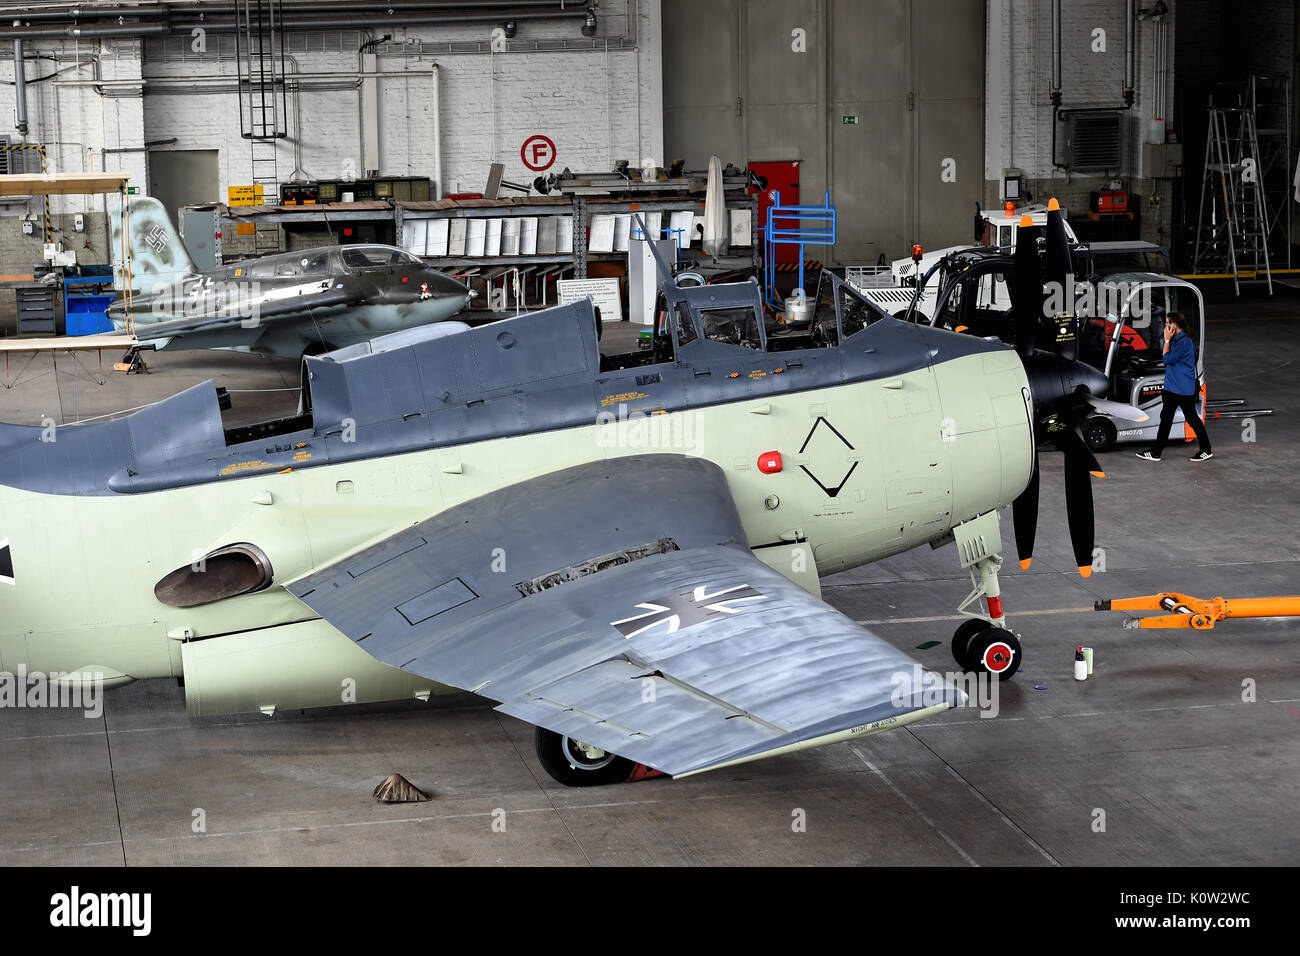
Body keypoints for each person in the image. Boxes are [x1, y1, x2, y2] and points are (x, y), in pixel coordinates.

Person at [1136, 311, 1212, 461]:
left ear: (1174, 324)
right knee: (1166, 419)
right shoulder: (1177, 339)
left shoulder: (1183, 341)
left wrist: (1166, 340)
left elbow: (1167, 359)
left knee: (1191, 419)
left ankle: (1206, 449)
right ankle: (1156, 452)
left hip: (1182, 389)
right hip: (1173, 388)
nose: (1165, 326)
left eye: (1167, 323)